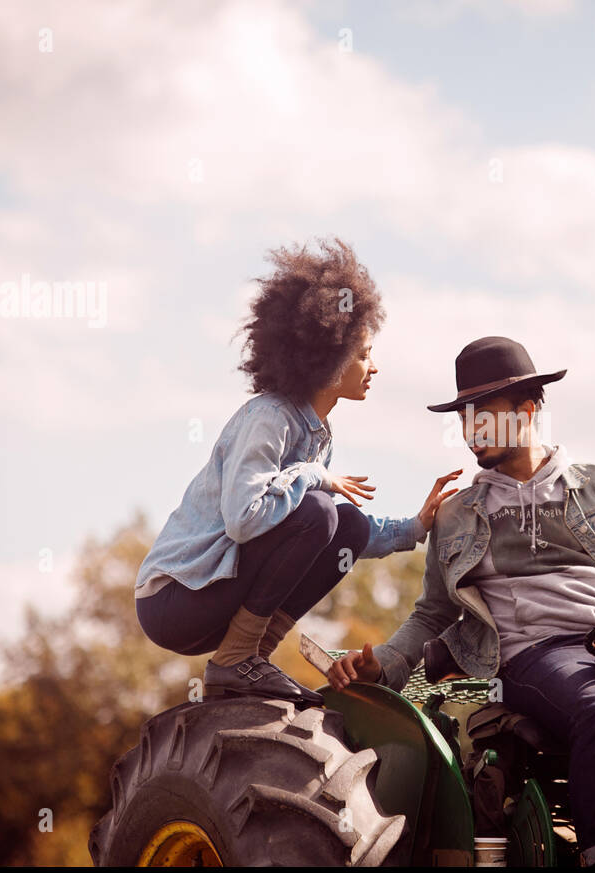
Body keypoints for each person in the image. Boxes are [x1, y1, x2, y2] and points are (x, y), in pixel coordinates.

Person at [327, 335, 595, 866]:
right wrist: (385, 663)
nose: (469, 431)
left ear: (527, 411)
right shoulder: (458, 515)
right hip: (534, 655)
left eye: (482, 416)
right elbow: (433, 613)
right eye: (463, 418)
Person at [134, 237, 460, 705]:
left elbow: (331, 534)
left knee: (343, 522)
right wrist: (312, 474)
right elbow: (245, 519)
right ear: (329, 354)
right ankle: (237, 660)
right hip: (176, 600)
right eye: (365, 353)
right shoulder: (268, 417)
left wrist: (415, 526)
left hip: (216, 595)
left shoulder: (318, 432)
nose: (374, 367)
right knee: (322, 511)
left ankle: (249, 661)